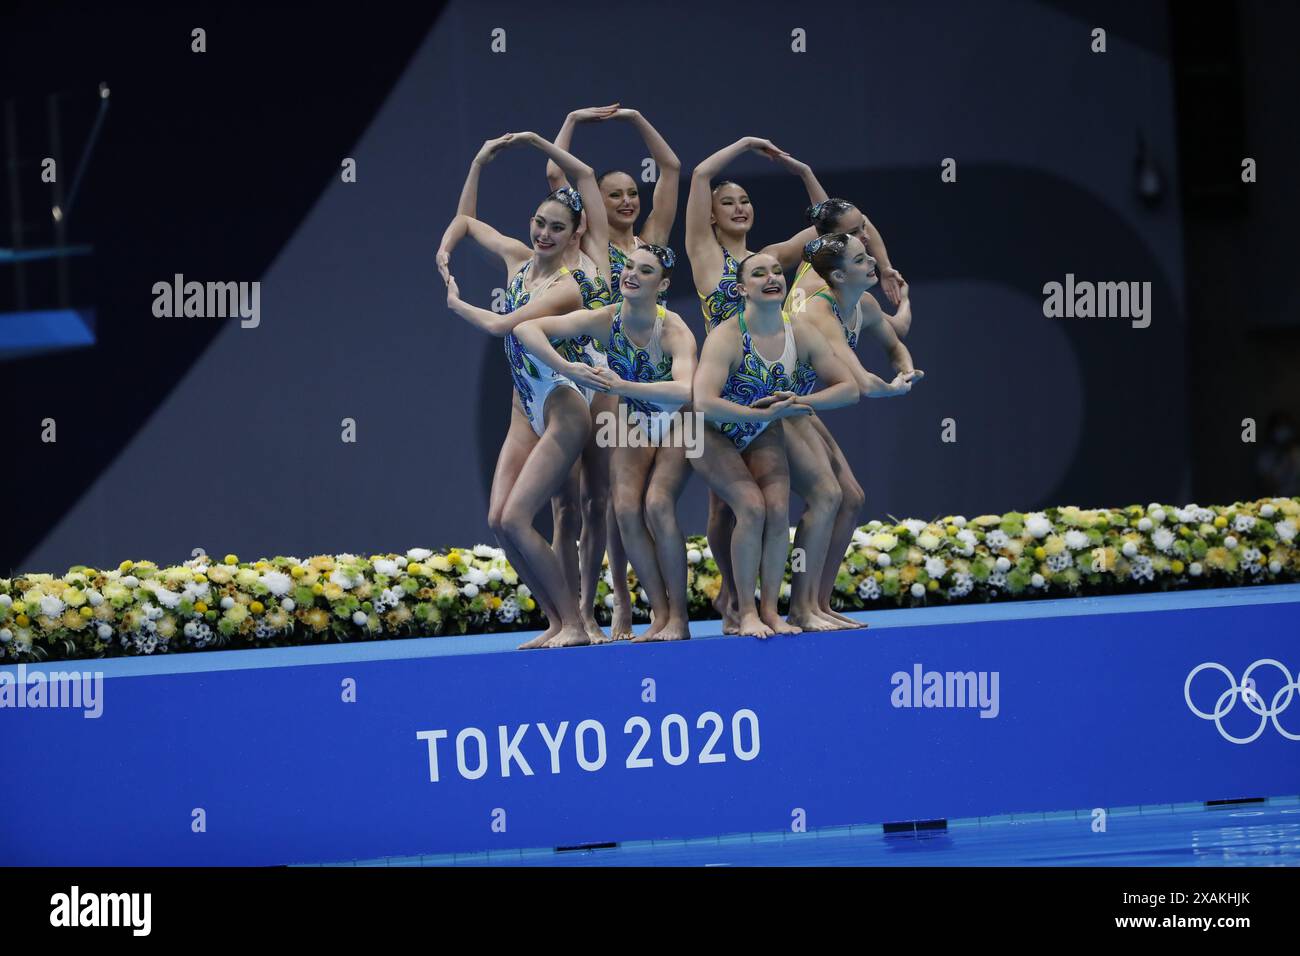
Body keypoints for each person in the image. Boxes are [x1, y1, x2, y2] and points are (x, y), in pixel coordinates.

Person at [436, 131, 610, 648]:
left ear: (576, 234)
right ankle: (557, 621)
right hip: (524, 405)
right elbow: (466, 222)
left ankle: (577, 623)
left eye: (558, 227)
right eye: (539, 222)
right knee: (498, 519)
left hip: (564, 405)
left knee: (519, 514)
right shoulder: (516, 258)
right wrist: (477, 162)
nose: (544, 233)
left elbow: (502, 326)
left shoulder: (569, 285)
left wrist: (457, 301)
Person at [543, 104, 682, 638]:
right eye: (614, 193)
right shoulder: (591, 246)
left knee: (617, 498)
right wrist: (573, 119)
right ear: (594, 202)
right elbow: (559, 175)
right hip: (575, 373)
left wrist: (637, 119)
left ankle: (625, 603)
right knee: (573, 502)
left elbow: (670, 169)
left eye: (631, 192)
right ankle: (577, 610)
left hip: (626, 381)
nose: (626, 200)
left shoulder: (651, 248)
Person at [514, 245, 697, 642]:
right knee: (626, 511)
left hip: (680, 422)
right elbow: (527, 329)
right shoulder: (605, 319)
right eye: (628, 266)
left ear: (662, 284)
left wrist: (623, 385)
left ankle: (679, 618)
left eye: (644, 271)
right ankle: (660, 615)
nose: (630, 274)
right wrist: (565, 366)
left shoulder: (675, 330)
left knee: (658, 505)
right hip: (635, 419)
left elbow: (684, 389)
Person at [685, 137, 830, 631]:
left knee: (764, 508)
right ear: (710, 214)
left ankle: (754, 605)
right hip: (720, 397)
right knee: (728, 508)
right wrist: (745, 145)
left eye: (745, 200)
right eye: (727, 202)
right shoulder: (706, 255)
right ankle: (734, 599)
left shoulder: (767, 259)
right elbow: (700, 175)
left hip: (764, 394)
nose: (739, 207)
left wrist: (803, 170)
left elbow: (829, 227)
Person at [691, 251, 859, 638]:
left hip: (762, 426)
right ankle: (744, 611)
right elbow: (704, 402)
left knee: (778, 510)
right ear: (742, 288)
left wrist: (800, 403)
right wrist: (759, 416)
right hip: (709, 432)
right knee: (751, 507)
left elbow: (848, 389)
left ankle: (771, 611)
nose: (771, 278)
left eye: (776, 272)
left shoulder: (799, 331)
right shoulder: (727, 336)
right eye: (758, 273)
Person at [786, 233, 923, 629]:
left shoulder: (863, 303)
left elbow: (896, 345)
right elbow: (859, 383)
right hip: (773, 407)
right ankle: (800, 608)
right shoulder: (819, 313)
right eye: (862, 260)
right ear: (839, 276)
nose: (872, 264)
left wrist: (905, 371)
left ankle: (821, 603)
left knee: (852, 498)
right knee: (828, 495)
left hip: (801, 407)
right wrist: (892, 390)